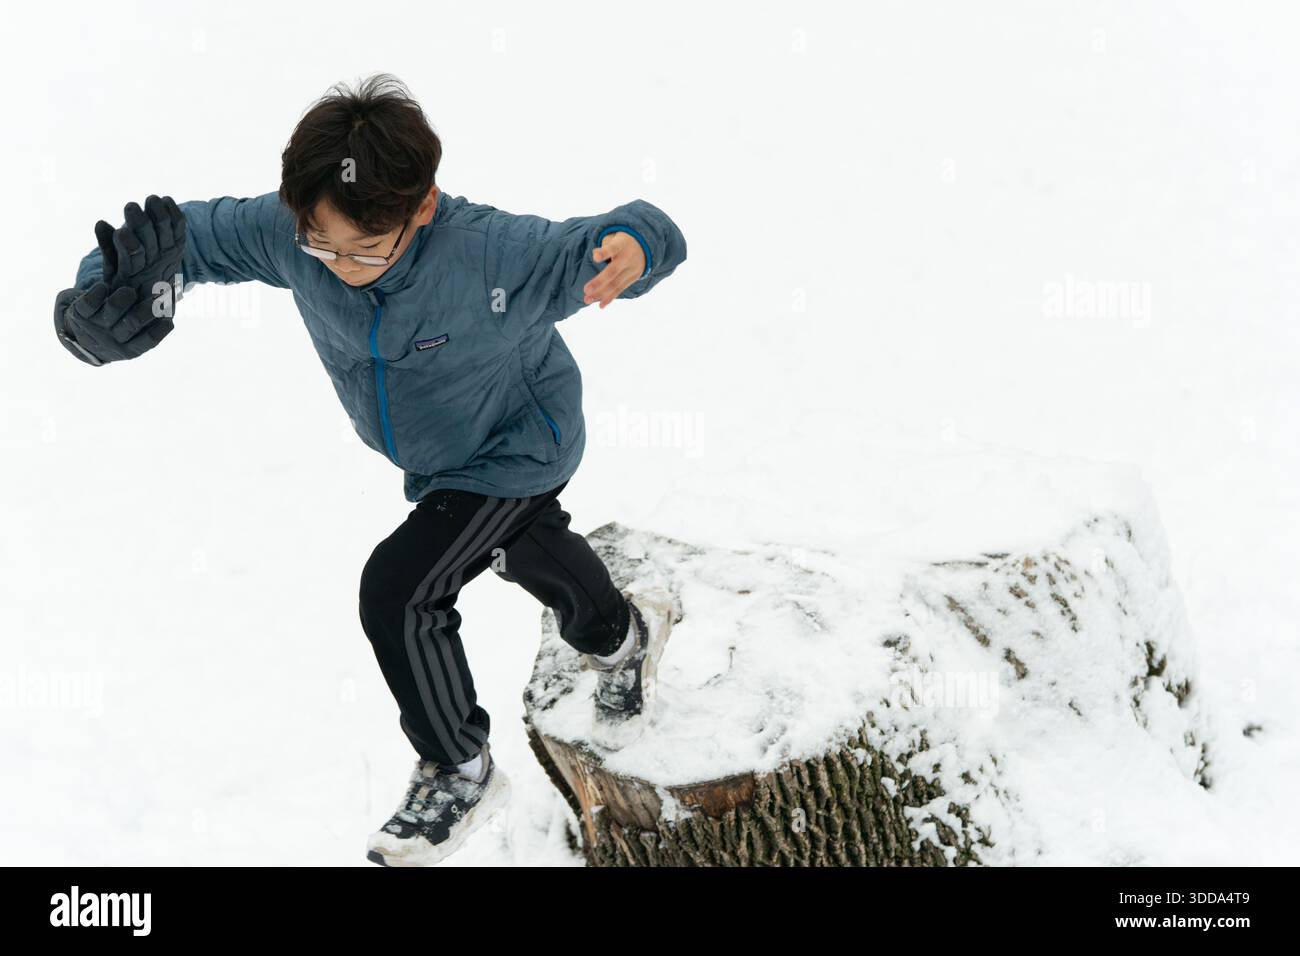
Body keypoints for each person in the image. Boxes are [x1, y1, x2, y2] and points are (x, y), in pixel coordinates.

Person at [53, 73, 688, 867]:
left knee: (401, 588)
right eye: (323, 244)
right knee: (523, 549)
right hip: (438, 458)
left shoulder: (491, 254)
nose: (343, 265)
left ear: (421, 208)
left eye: (367, 248)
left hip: (517, 444)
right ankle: (623, 637)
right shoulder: (291, 236)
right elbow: (178, 237)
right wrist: (92, 306)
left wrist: (636, 245)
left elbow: (621, 230)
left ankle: (459, 768)